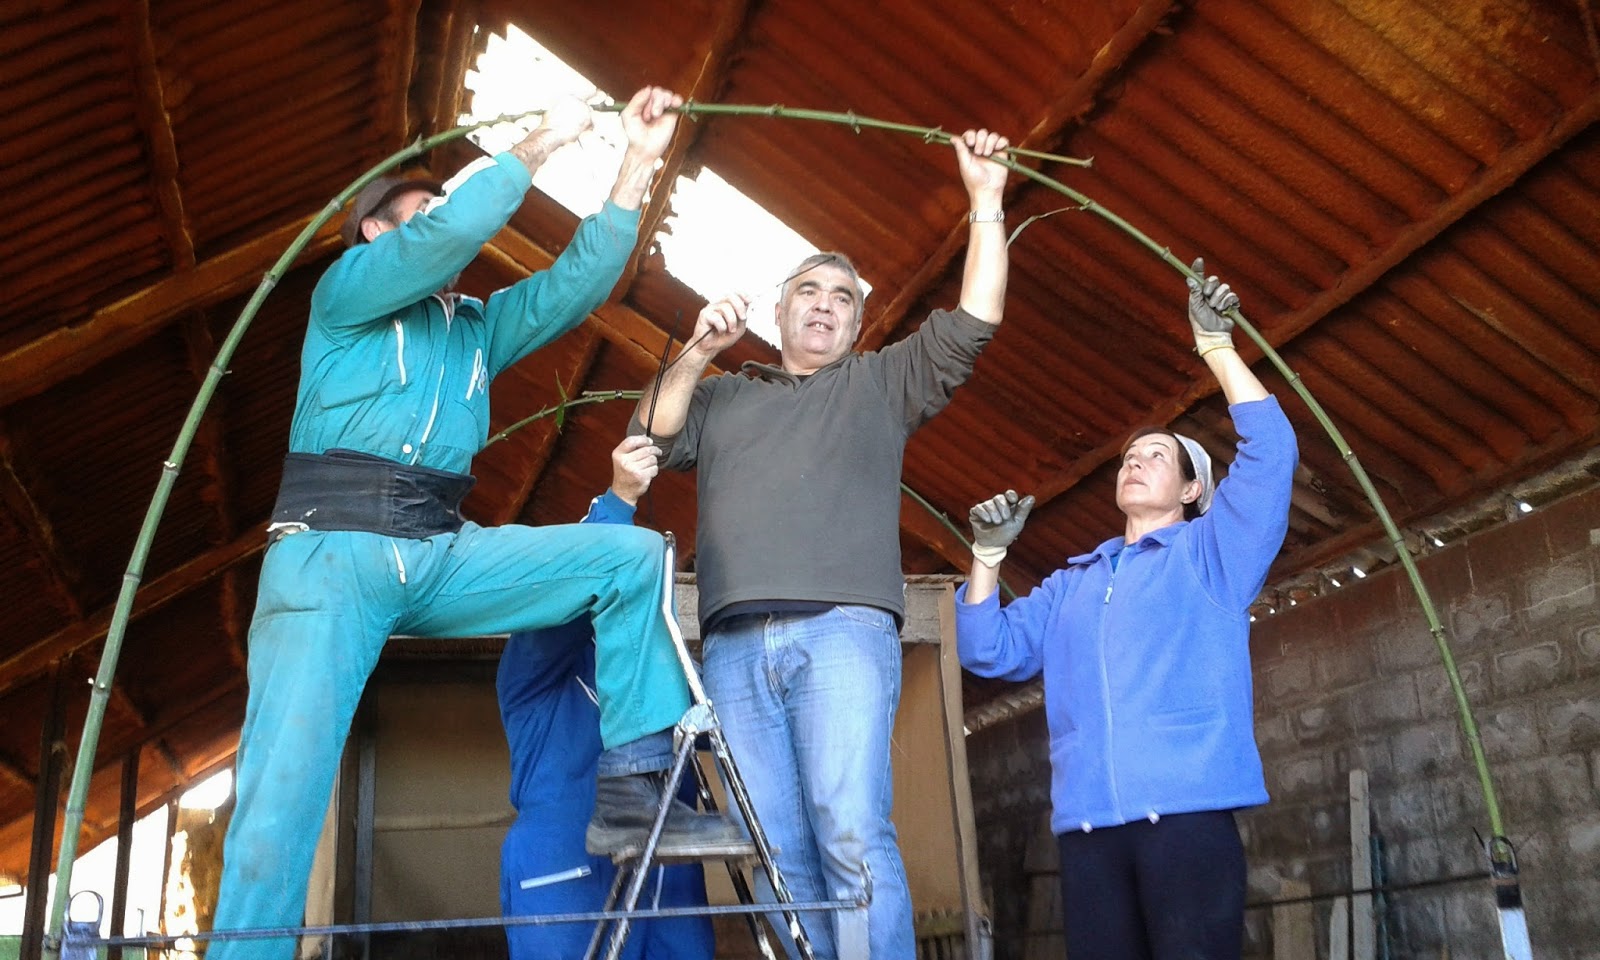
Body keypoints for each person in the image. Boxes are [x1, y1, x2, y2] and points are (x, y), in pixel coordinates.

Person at [211, 87, 737, 960]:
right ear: (381, 234)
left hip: (442, 551)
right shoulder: (346, 296)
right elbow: (448, 232)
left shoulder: (475, 331)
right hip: (330, 556)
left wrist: (636, 164)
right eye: (422, 213)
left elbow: (577, 285)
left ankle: (638, 779)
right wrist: (532, 148)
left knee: (630, 554)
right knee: (284, 794)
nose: (447, 227)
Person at [631, 129, 1013, 960]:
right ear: (778, 312)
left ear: (855, 321)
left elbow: (977, 319)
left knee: (849, 829)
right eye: (808, 291)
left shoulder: (879, 384)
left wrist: (985, 202)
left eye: (842, 297)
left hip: (843, 629)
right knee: (774, 851)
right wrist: (698, 349)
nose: (824, 305)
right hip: (731, 646)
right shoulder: (727, 398)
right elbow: (648, 436)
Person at [954, 260, 1298, 960]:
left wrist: (1216, 347)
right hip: (1087, 827)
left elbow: (1273, 451)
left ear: (1196, 488)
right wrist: (986, 559)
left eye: (1157, 455)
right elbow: (989, 649)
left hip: (1186, 816)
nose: (1134, 463)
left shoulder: (1213, 554)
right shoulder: (1073, 582)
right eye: (1128, 457)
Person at [498, 435, 713, 960]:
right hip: (567, 862)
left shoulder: (670, 673)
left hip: (668, 864)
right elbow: (577, 584)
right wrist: (618, 505)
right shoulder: (535, 671)